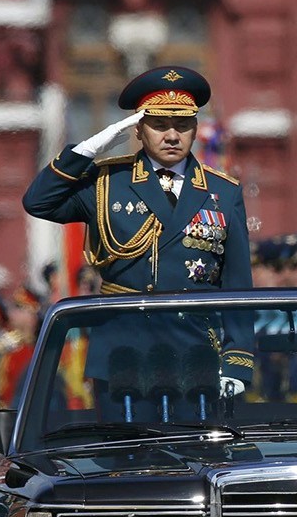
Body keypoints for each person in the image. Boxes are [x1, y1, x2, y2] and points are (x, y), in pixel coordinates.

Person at [22, 65, 254, 395]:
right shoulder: (106, 182)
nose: (172, 136)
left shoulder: (224, 192)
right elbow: (38, 202)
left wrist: (237, 362)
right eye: (159, 125)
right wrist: (87, 150)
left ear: (194, 128)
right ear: (139, 130)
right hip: (123, 353)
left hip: (196, 353)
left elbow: (238, 286)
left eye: (182, 126)